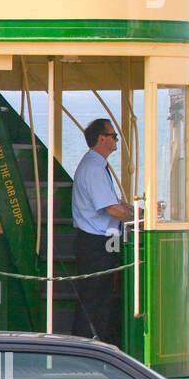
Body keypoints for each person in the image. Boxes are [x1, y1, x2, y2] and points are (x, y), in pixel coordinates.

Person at [70, 119, 134, 345]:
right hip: (95, 245)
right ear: (101, 138)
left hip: (98, 242)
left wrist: (134, 209)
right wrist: (140, 218)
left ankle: (91, 347)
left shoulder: (96, 166)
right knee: (93, 301)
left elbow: (114, 203)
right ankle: (86, 349)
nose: (116, 139)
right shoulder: (94, 168)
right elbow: (111, 208)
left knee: (98, 299)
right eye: (113, 135)